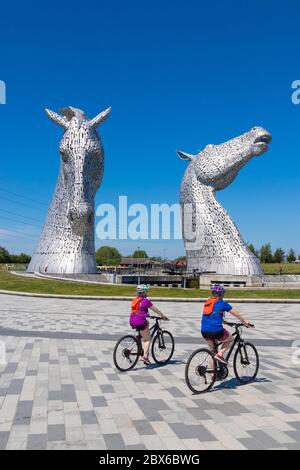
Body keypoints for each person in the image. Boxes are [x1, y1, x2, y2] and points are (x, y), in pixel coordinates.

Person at [201, 284, 254, 365]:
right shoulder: (223, 303)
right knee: (231, 339)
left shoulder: (208, 303)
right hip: (216, 330)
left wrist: (225, 322)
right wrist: (245, 322)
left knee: (213, 354)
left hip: (204, 330)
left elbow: (212, 316)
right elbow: (237, 314)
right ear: (221, 294)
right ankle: (220, 354)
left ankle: (213, 376)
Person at [129, 284, 169, 365]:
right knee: (148, 339)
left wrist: (146, 315)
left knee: (146, 324)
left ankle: (140, 349)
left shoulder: (135, 300)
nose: (147, 293)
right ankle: (145, 357)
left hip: (132, 320)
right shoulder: (145, 301)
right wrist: (163, 316)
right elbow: (155, 309)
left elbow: (140, 311)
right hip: (140, 321)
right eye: (146, 291)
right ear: (144, 292)